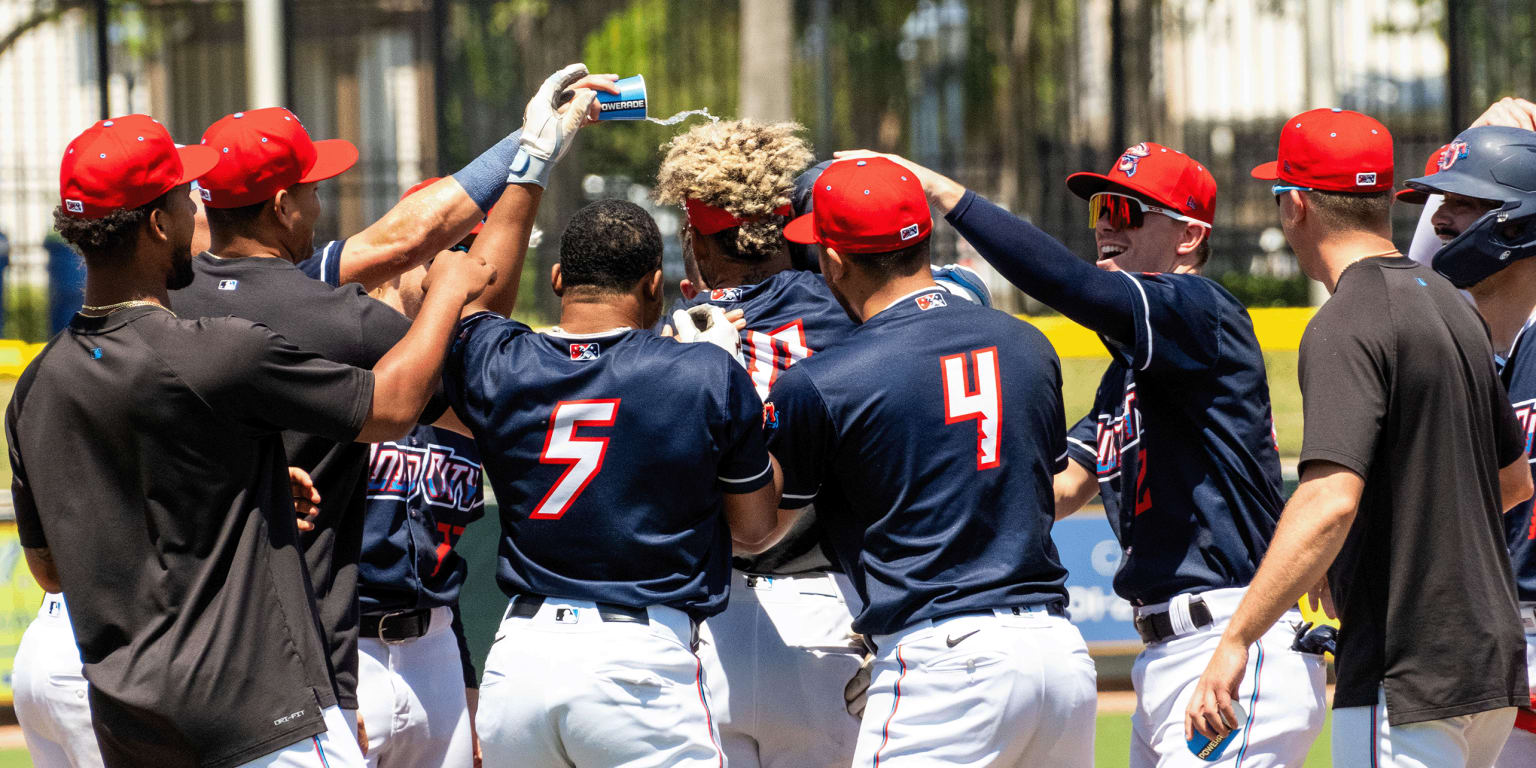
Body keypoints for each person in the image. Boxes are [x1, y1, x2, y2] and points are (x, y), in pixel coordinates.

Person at [10, 113, 492, 766]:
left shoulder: (39, 382)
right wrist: (448, 293)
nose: (195, 208)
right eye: (186, 197)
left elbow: (52, 570)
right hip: (260, 721)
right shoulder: (216, 352)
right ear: (157, 225)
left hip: (134, 728)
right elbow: (394, 406)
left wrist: (242, 487)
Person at [169, 64, 611, 744]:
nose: (322, 205)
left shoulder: (168, 302)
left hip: (218, 638)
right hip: (323, 641)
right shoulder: (334, 318)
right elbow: (420, 281)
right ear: (283, 204)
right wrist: (524, 165)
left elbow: (410, 238)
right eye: (313, 191)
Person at [869, 139, 1326, 765]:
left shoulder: (1200, 311)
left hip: (1231, 636)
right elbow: (1055, 492)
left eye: (1129, 210)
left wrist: (951, 198)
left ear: (1189, 236)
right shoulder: (1129, 374)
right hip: (1169, 654)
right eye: (1101, 208)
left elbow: (1073, 287)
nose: (1107, 222)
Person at [1186, 108, 1533, 768]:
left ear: (1296, 207)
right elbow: (1513, 482)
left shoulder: (1347, 319)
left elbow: (1329, 502)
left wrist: (1236, 640)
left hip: (1407, 666)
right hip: (1488, 666)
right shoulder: (1453, 305)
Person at [765, 156, 1095, 766]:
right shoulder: (1027, 342)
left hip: (945, 657)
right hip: (1059, 657)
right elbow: (1045, 490)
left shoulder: (826, 380)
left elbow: (756, 528)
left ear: (833, 261)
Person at [443, 187, 780, 765]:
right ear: (654, 284)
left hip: (519, 656)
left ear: (556, 279)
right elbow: (755, 530)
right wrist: (729, 377)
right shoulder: (702, 372)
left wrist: (530, 168)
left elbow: (476, 299)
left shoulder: (500, 358)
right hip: (635, 658)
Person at [1398, 119, 1536, 768]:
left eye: (1463, 202)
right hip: (1497, 653)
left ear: (1519, 223)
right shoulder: (1475, 354)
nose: (1442, 218)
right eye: (1438, 202)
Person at [342, 178, 488, 768]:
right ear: (398, 260)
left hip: (436, 652)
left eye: (470, 257)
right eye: (437, 255)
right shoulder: (341, 361)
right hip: (348, 650)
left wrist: (468, 685)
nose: (452, 275)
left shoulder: (474, 387)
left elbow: (442, 563)